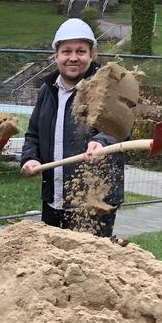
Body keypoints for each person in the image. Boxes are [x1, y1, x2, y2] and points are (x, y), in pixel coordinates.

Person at [19, 18, 124, 237]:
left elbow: (119, 128)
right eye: (66, 51)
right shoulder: (47, 91)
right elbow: (33, 135)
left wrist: (101, 142)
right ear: (56, 55)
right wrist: (30, 157)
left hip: (93, 203)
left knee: (87, 265)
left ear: (92, 55)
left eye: (81, 51)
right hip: (53, 198)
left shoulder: (106, 87)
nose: (73, 58)